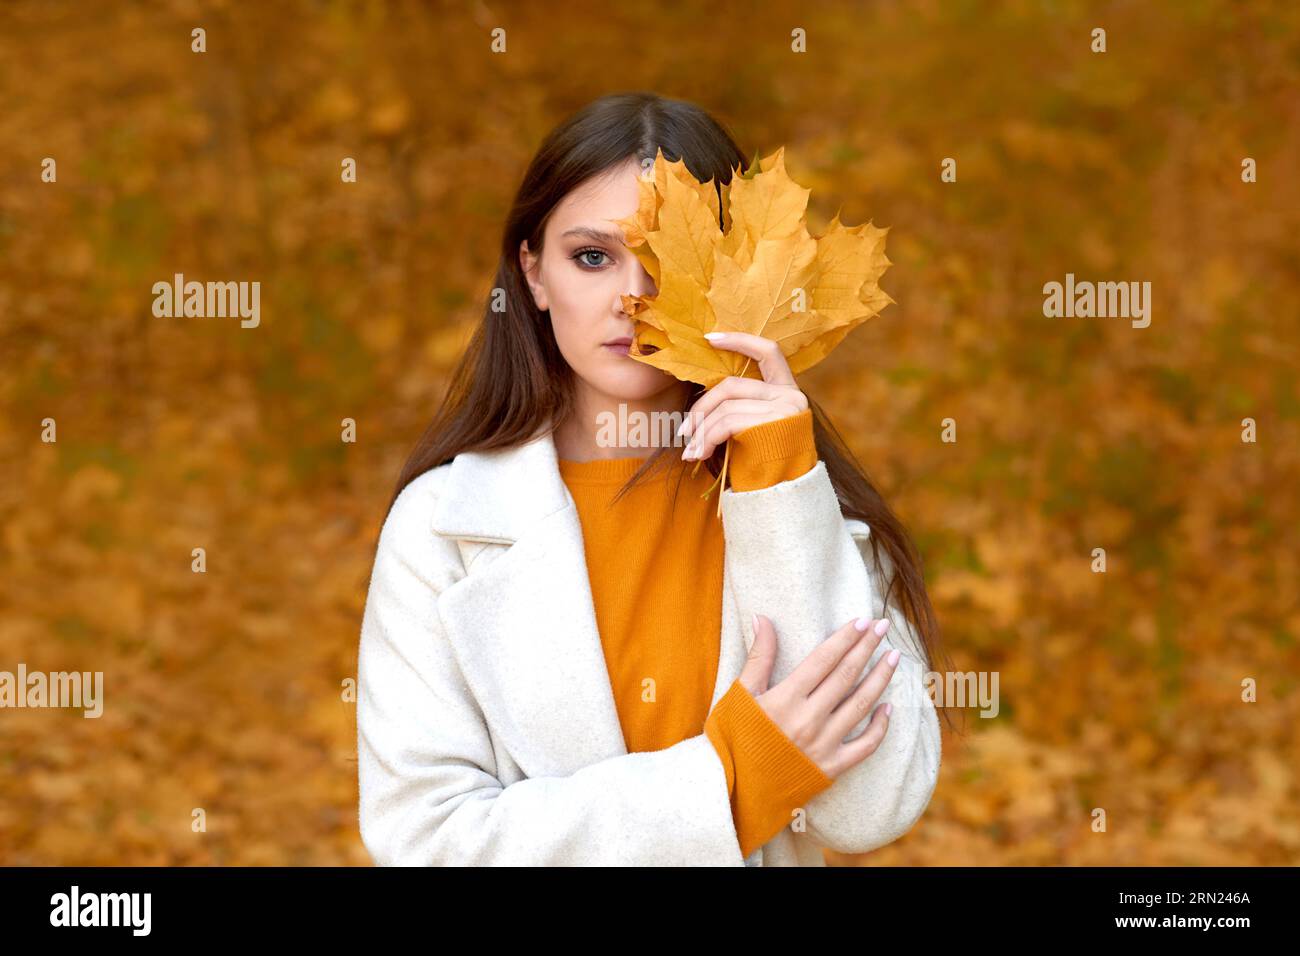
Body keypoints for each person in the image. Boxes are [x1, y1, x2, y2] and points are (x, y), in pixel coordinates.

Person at [357, 91, 946, 866]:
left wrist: (777, 479)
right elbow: (424, 842)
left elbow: (872, 808)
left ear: (731, 278)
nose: (631, 299)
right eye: (591, 256)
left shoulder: (796, 496)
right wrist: (731, 779)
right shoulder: (439, 527)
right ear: (533, 276)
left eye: (668, 261)